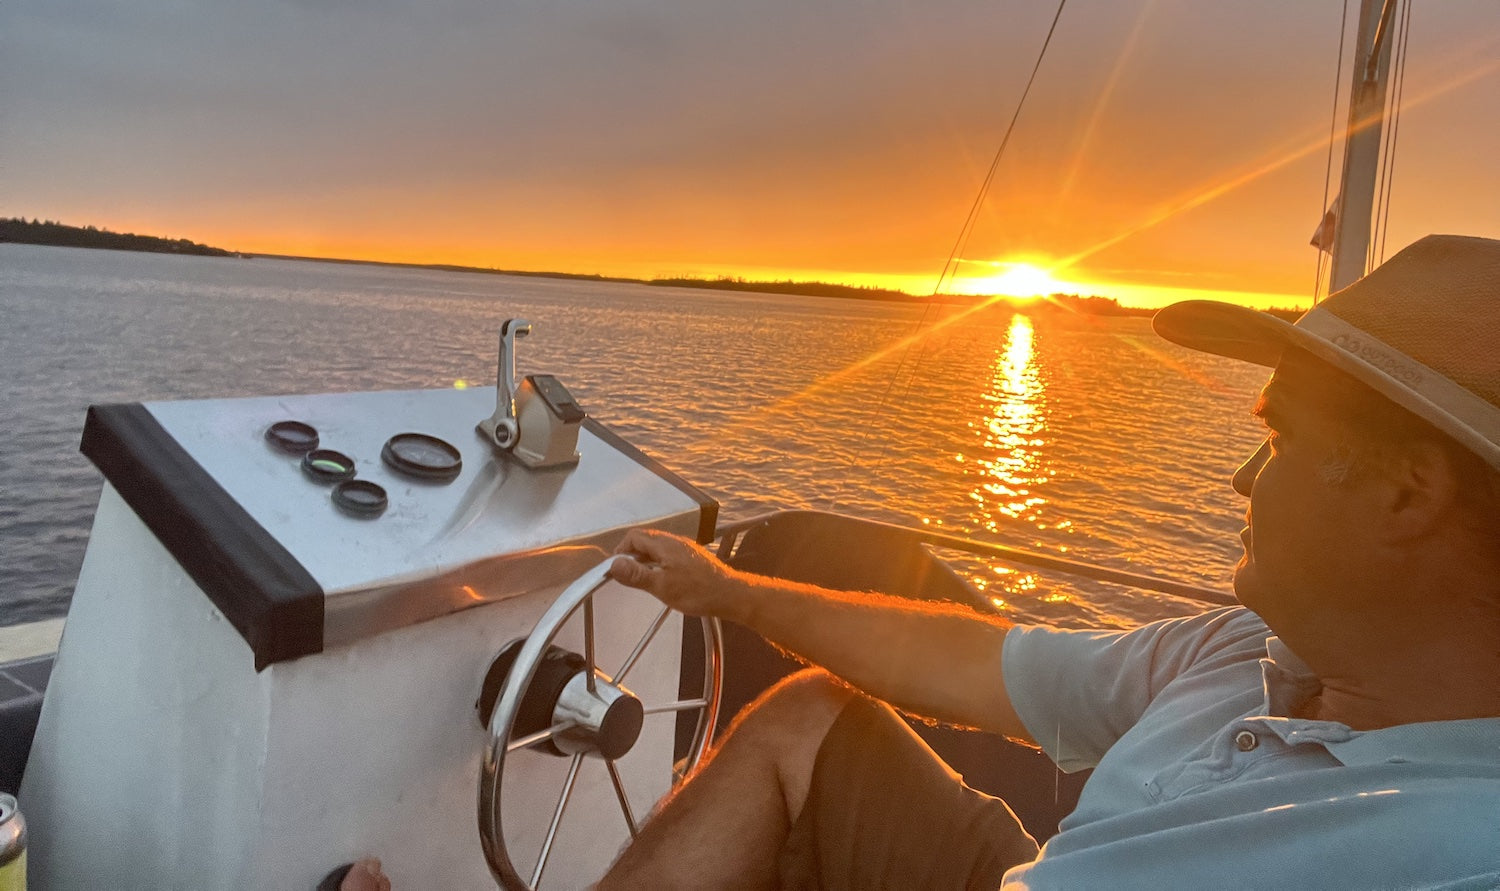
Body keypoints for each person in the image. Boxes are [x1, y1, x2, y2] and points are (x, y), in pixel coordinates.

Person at [597, 234, 1500, 889]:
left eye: (1280, 439)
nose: (1240, 477)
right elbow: (972, 665)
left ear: (1405, 495)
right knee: (808, 720)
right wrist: (728, 590)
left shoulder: (1462, 846)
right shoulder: (1244, 650)